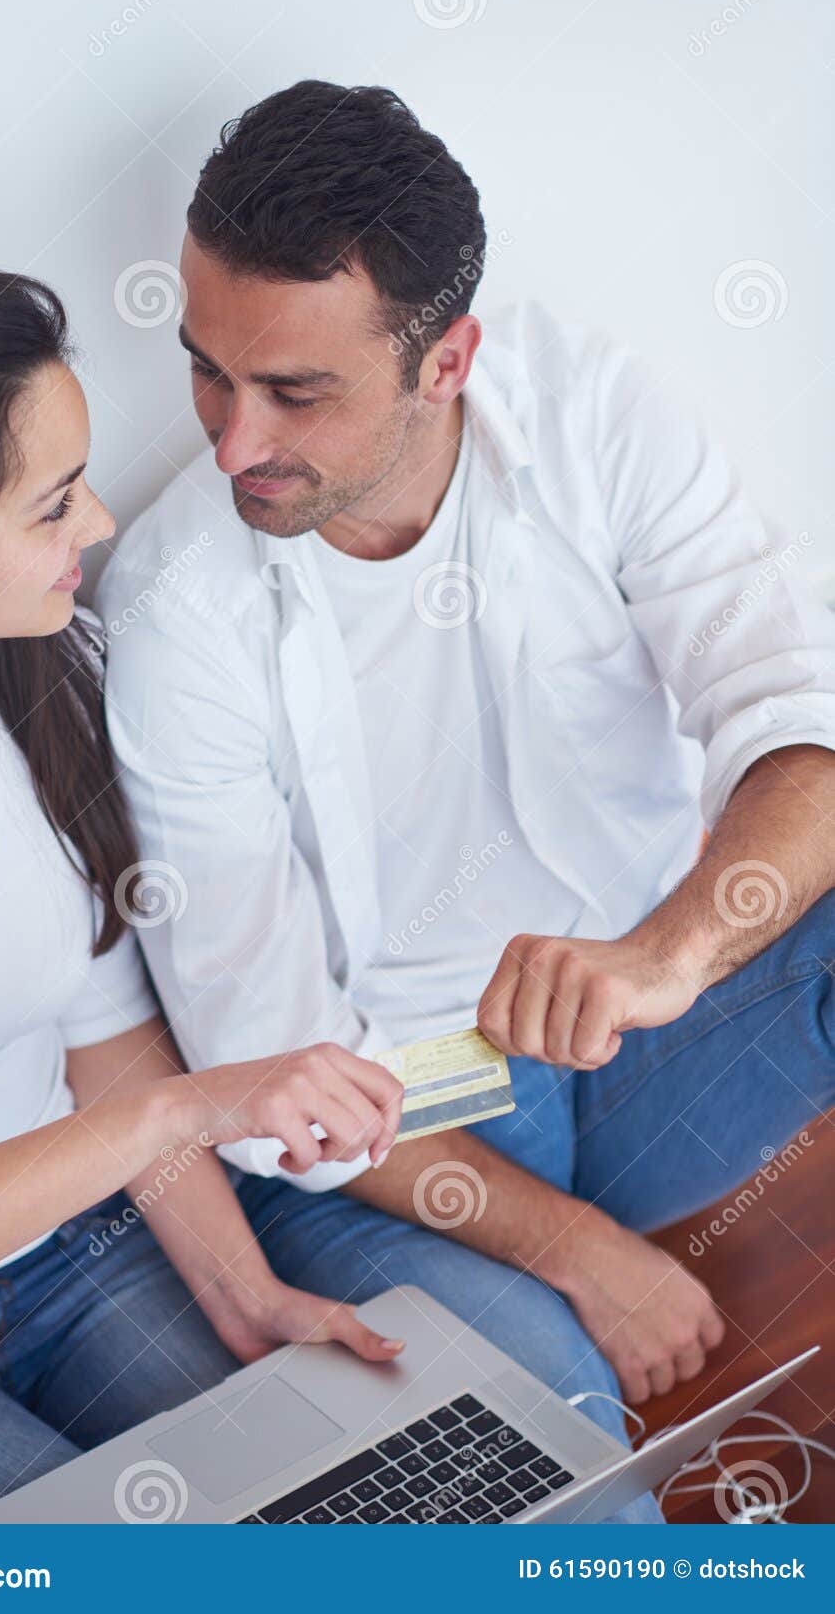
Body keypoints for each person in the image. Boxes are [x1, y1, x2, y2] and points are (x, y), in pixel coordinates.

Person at [94, 79, 835, 1486]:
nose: (233, 441)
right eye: (206, 368)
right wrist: (587, 1259)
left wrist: (671, 952)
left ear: (448, 362)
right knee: (542, 1457)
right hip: (391, 1126)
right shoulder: (178, 605)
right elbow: (270, 1059)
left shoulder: (590, 408)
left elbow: (792, 706)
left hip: (629, 1030)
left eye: (295, 391)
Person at [0, 252, 413, 1524]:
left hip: (73, 1261)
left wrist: (246, 1297)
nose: (101, 525)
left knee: (329, 1513)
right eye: (53, 504)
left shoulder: (38, 673)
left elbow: (104, 1037)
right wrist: (184, 1111)